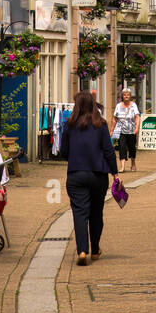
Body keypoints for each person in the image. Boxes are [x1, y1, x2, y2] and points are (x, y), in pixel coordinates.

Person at [61, 90, 118, 266]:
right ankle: (95, 250)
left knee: (80, 213)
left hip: (76, 174)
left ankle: (82, 250)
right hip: (98, 175)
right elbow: (109, 151)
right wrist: (115, 173)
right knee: (96, 213)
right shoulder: (101, 125)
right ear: (93, 104)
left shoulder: (69, 126)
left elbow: (63, 153)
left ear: (76, 106)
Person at [113, 89, 141, 173]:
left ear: (130, 96)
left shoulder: (133, 105)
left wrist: (137, 128)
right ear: (122, 96)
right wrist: (112, 130)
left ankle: (133, 163)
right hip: (121, 130)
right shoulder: (118, 106)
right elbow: (114, 118)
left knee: (132, 148)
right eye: (124, 95)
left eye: (128, 95)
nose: (126, 96)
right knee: (122, 147)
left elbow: (137, 117)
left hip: (131, 131)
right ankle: (122, 166)